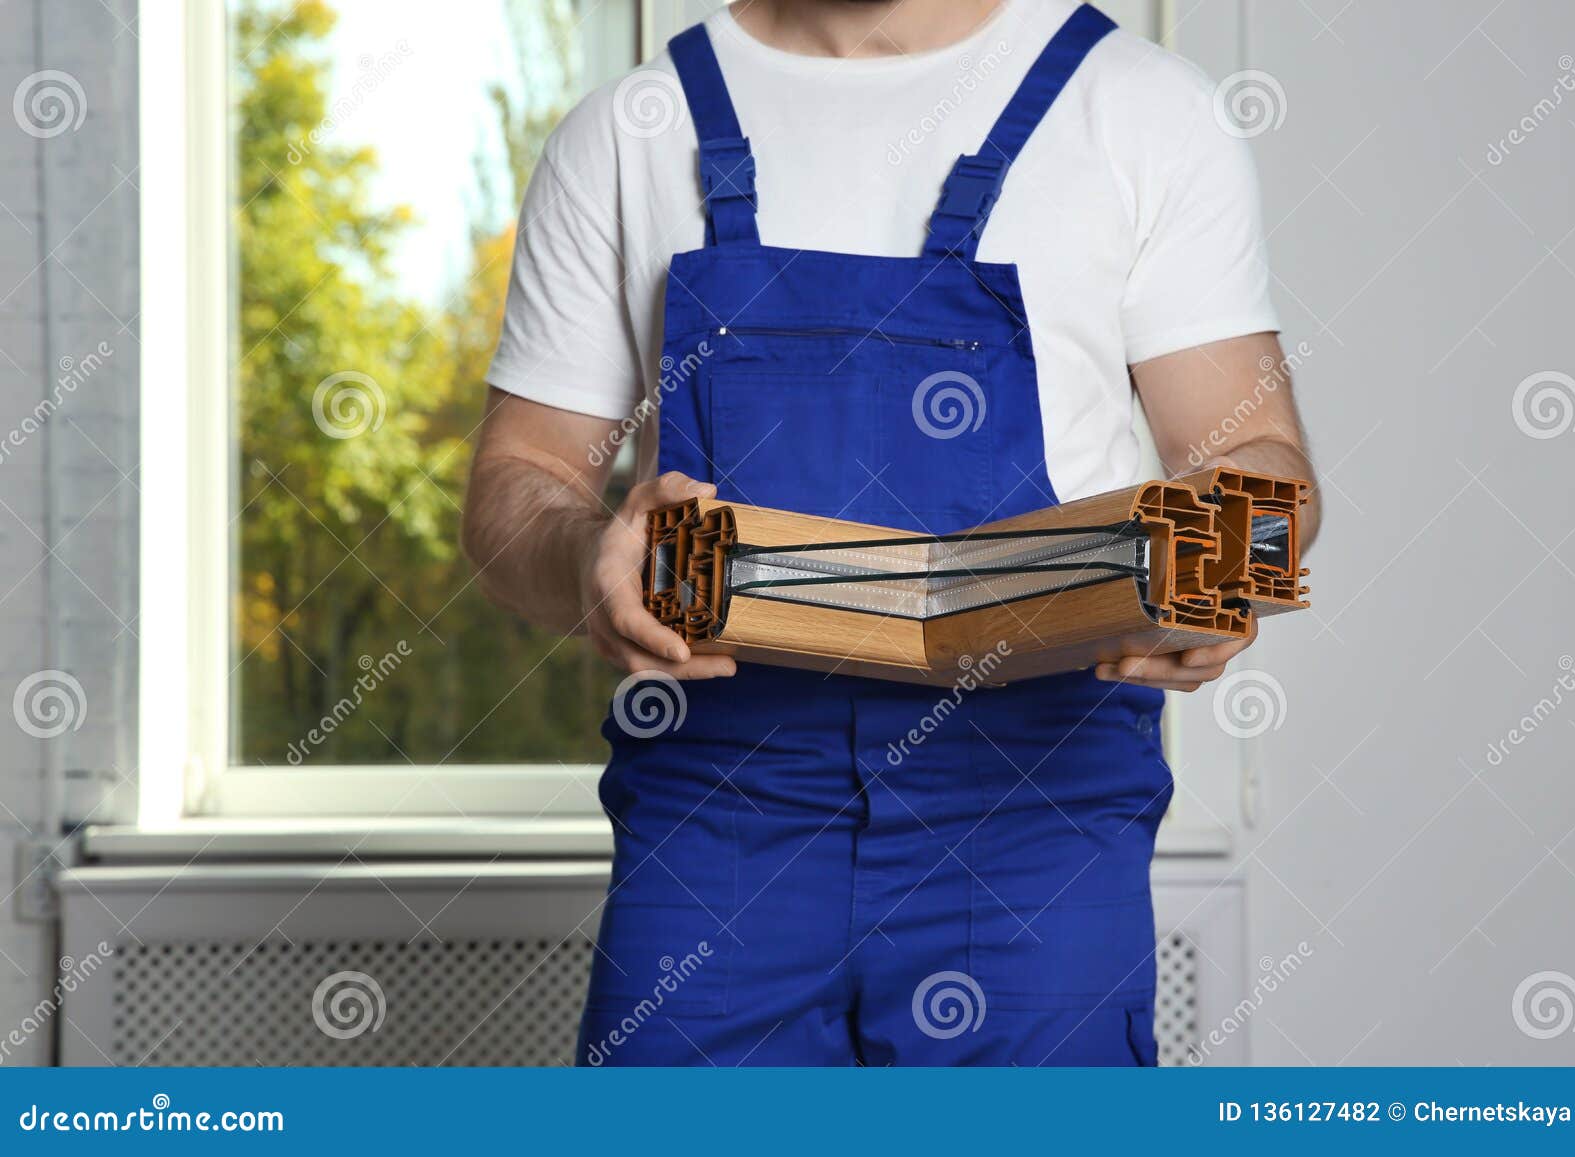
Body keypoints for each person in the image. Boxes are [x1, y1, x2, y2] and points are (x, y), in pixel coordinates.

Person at [462, 0, 1319, 1065]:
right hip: (721, 814)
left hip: (1035, 807)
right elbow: (519, 482)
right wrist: (584, 558)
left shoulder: (1141, 111)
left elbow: (1254, 454)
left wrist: (1222, 560)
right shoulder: (630, 130)